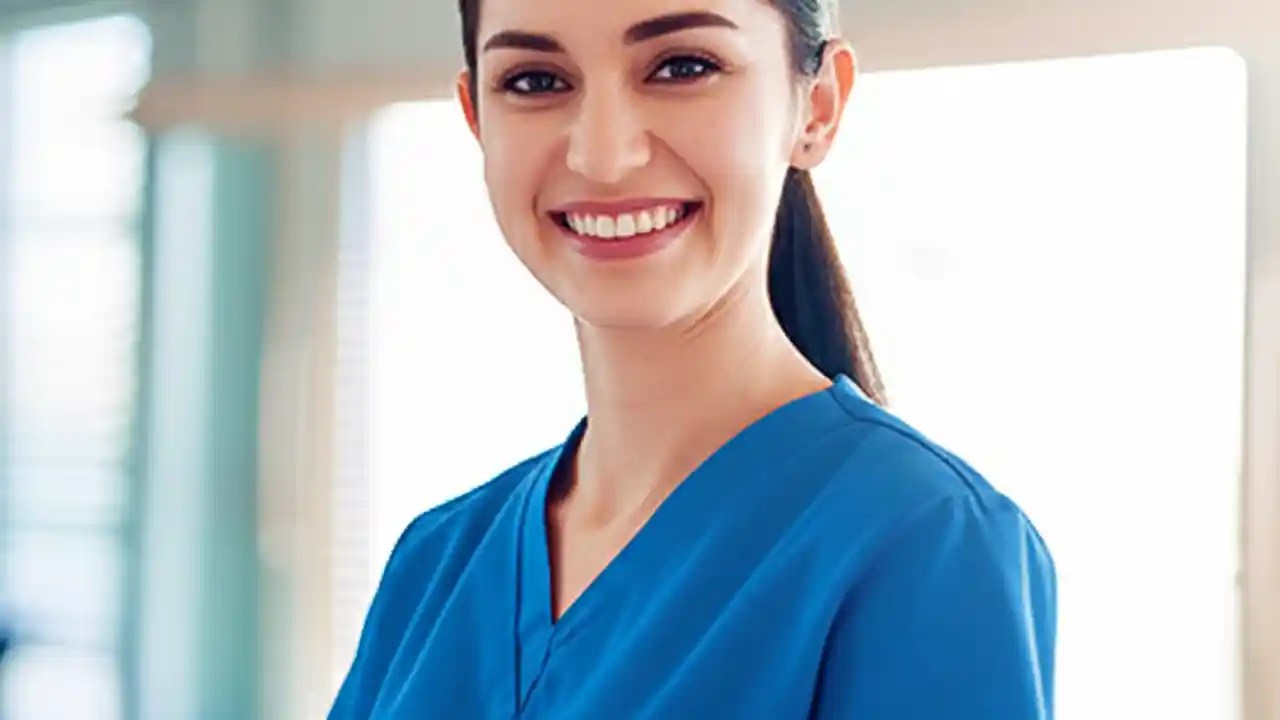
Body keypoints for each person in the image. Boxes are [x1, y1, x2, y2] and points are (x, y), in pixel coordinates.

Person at [330, 0, 1057, 716]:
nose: (603, 156)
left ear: (818, 106)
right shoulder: (434, 566)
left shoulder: (926, 540)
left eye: (682, 67)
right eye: (535, 81)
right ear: (476, 119)